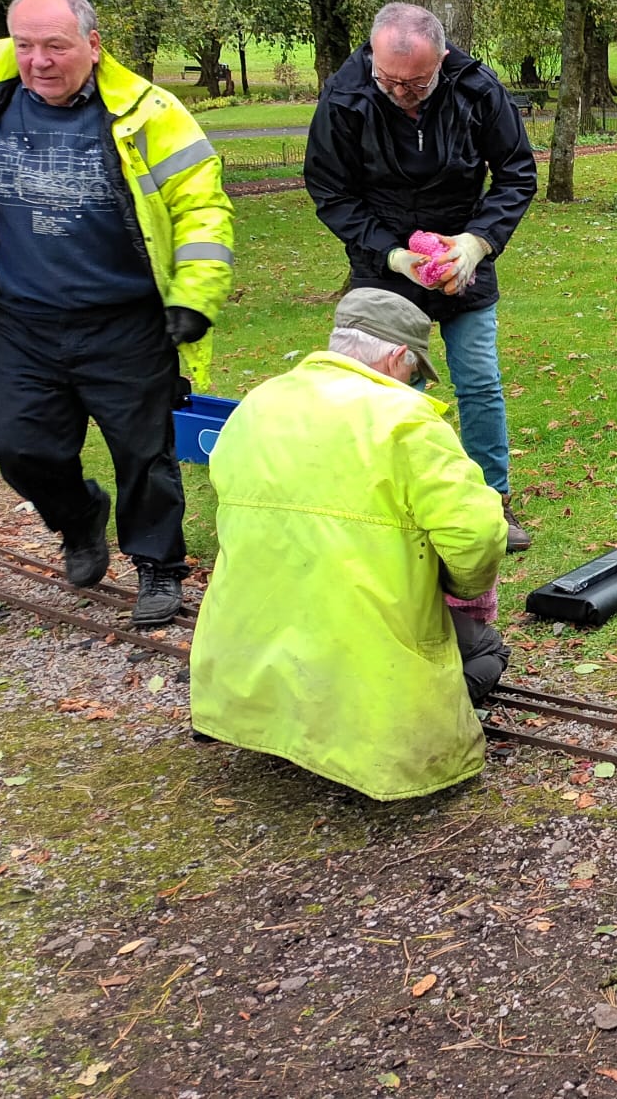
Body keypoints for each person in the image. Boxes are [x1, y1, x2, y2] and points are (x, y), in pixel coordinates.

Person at [0, 0, 234, 627]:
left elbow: (200, 207)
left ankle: (158, 567)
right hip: (20, 319)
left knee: (144, 454)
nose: (39, 61)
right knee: (14, 444)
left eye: (55, 46)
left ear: (93, 44)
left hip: (125, 321)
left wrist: (195, 296)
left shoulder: (151, 113)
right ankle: (78, 517)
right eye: (25, 46)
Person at [189, 290, 510, 801]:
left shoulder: (260, 402)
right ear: (398, 357)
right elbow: (476, 535)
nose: (415, 383)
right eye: (416, 372)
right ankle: (412, 721)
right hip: (363, 632)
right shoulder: (405, 421)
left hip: (258, 624)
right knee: (486, 649)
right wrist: (458, 588)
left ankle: (270, 719)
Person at [305, 2, 538, 551]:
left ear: (442, 57)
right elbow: (330, 190)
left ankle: (491, 502)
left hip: (462, 252)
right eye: (389, 80)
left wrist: (476, 244)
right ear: (372, 57)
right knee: (386, 387)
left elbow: (516, 174)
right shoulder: (345, 97)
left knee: (478, 381)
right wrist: (391, 254)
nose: (401, 93)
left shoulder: (477, 89)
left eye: (416, 83)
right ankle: (392, 505)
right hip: (382, 258)